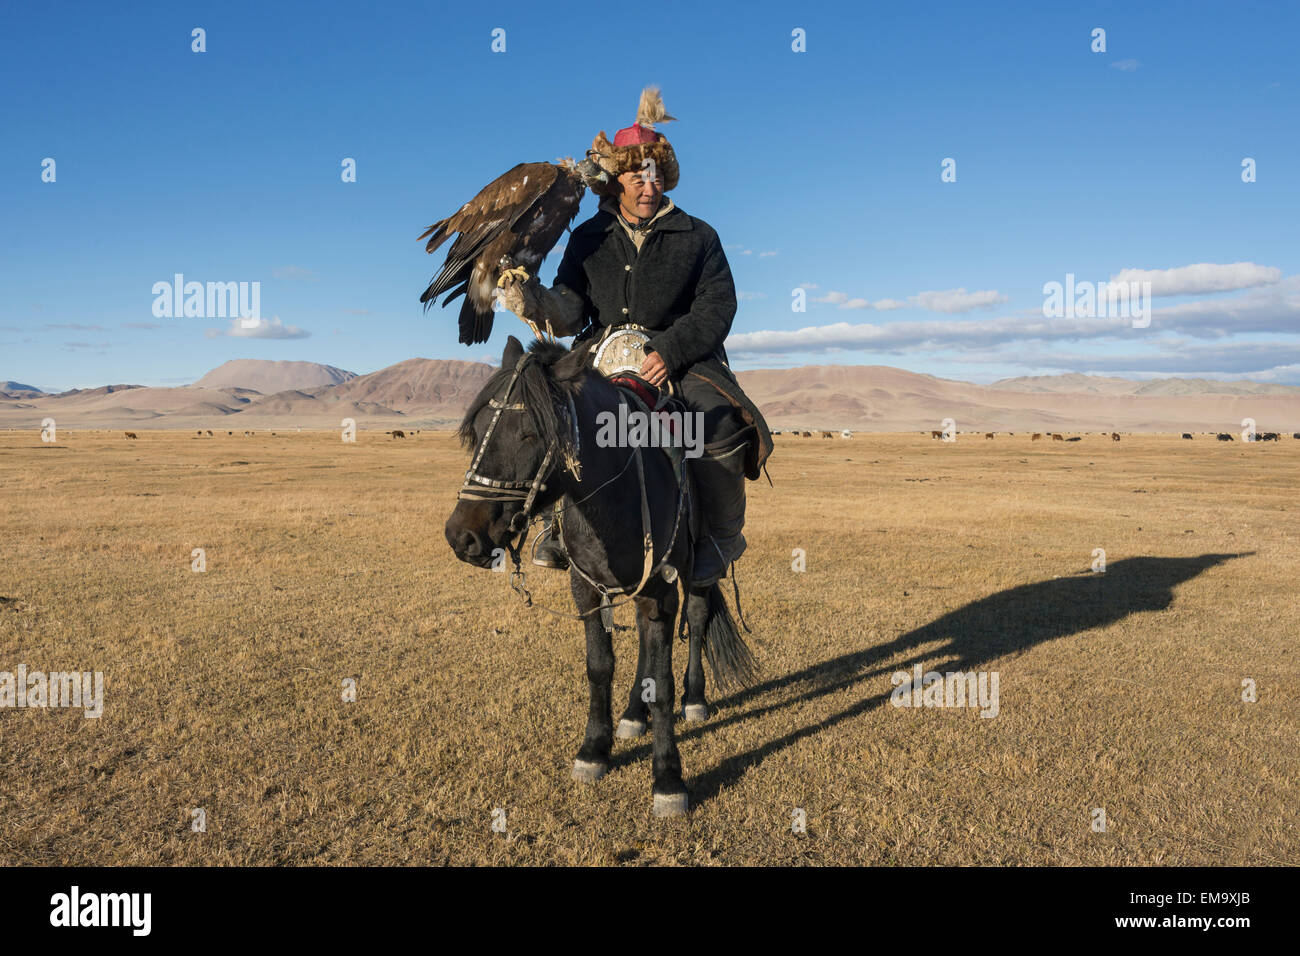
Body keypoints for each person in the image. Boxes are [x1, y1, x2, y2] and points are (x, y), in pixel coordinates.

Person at [497, 87, 772, 588]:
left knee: (717, 430)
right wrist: (534, 302)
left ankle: (719, 539)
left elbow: (718, 306)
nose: (648, 185)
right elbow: (571, 303)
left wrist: (672, 349)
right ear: (615, 181)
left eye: (656, 174)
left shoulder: (699, 236)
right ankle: (556, 528)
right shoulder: (588, 238)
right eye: (635, 175)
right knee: (555, 418)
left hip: (682, 362)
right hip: (600, 356)